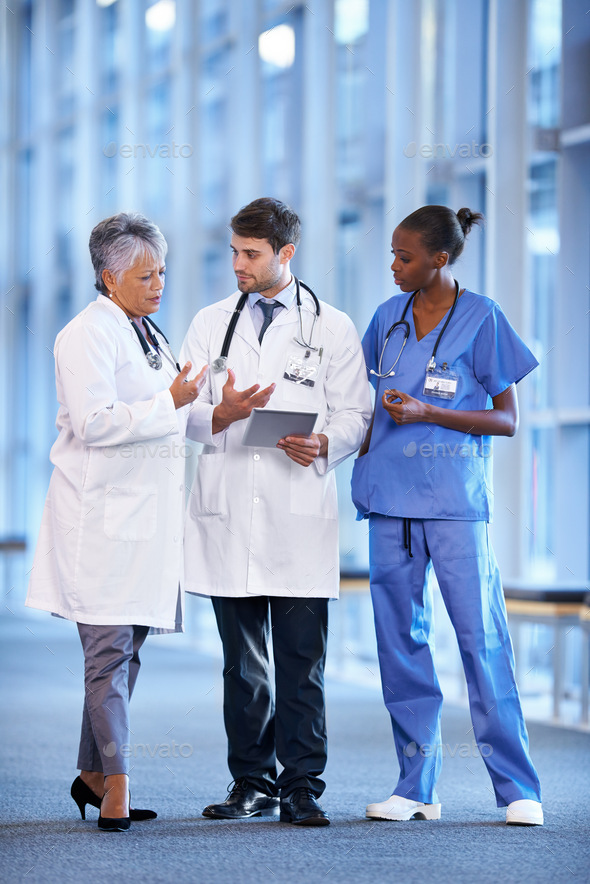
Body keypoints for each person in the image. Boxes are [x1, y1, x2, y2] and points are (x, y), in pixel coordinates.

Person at [181, 197, 372, 826]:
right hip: (228, 510)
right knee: (242, 666)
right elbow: (177, 410)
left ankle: (302, 787)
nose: (237, 263)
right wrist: (221, 414)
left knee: (300, 662)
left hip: (297, 513)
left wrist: (324, 444)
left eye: (250, 254)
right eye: (234, 251)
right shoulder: (211, 323)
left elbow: (357, 416)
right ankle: (252, 783)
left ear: (284, 254)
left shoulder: (332, 326)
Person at [352, 205, 543, 827]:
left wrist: (430, 414)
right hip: (389, 505)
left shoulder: (482, 317)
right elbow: (361, 406)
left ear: (440, 258)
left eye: (404, 257)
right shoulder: (387, 319)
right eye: (392, 254)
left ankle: (517, 789)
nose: (393, 266)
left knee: (480, 641)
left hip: (456, 506)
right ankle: (416, 787)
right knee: (400, 647)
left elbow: (507, 419)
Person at [26, 212, 206, 831]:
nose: (159, 284)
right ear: (109, 276)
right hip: (100, 523)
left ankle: (92, 773)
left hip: (148, 526)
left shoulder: (147, 332)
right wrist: (174, 402)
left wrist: (220, 413)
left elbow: (174, 414)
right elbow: (97, 423)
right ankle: (119, 785)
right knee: (107, 657)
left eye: (162, 272)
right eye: (145, 274)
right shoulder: (86, 335)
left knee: (125, 658)